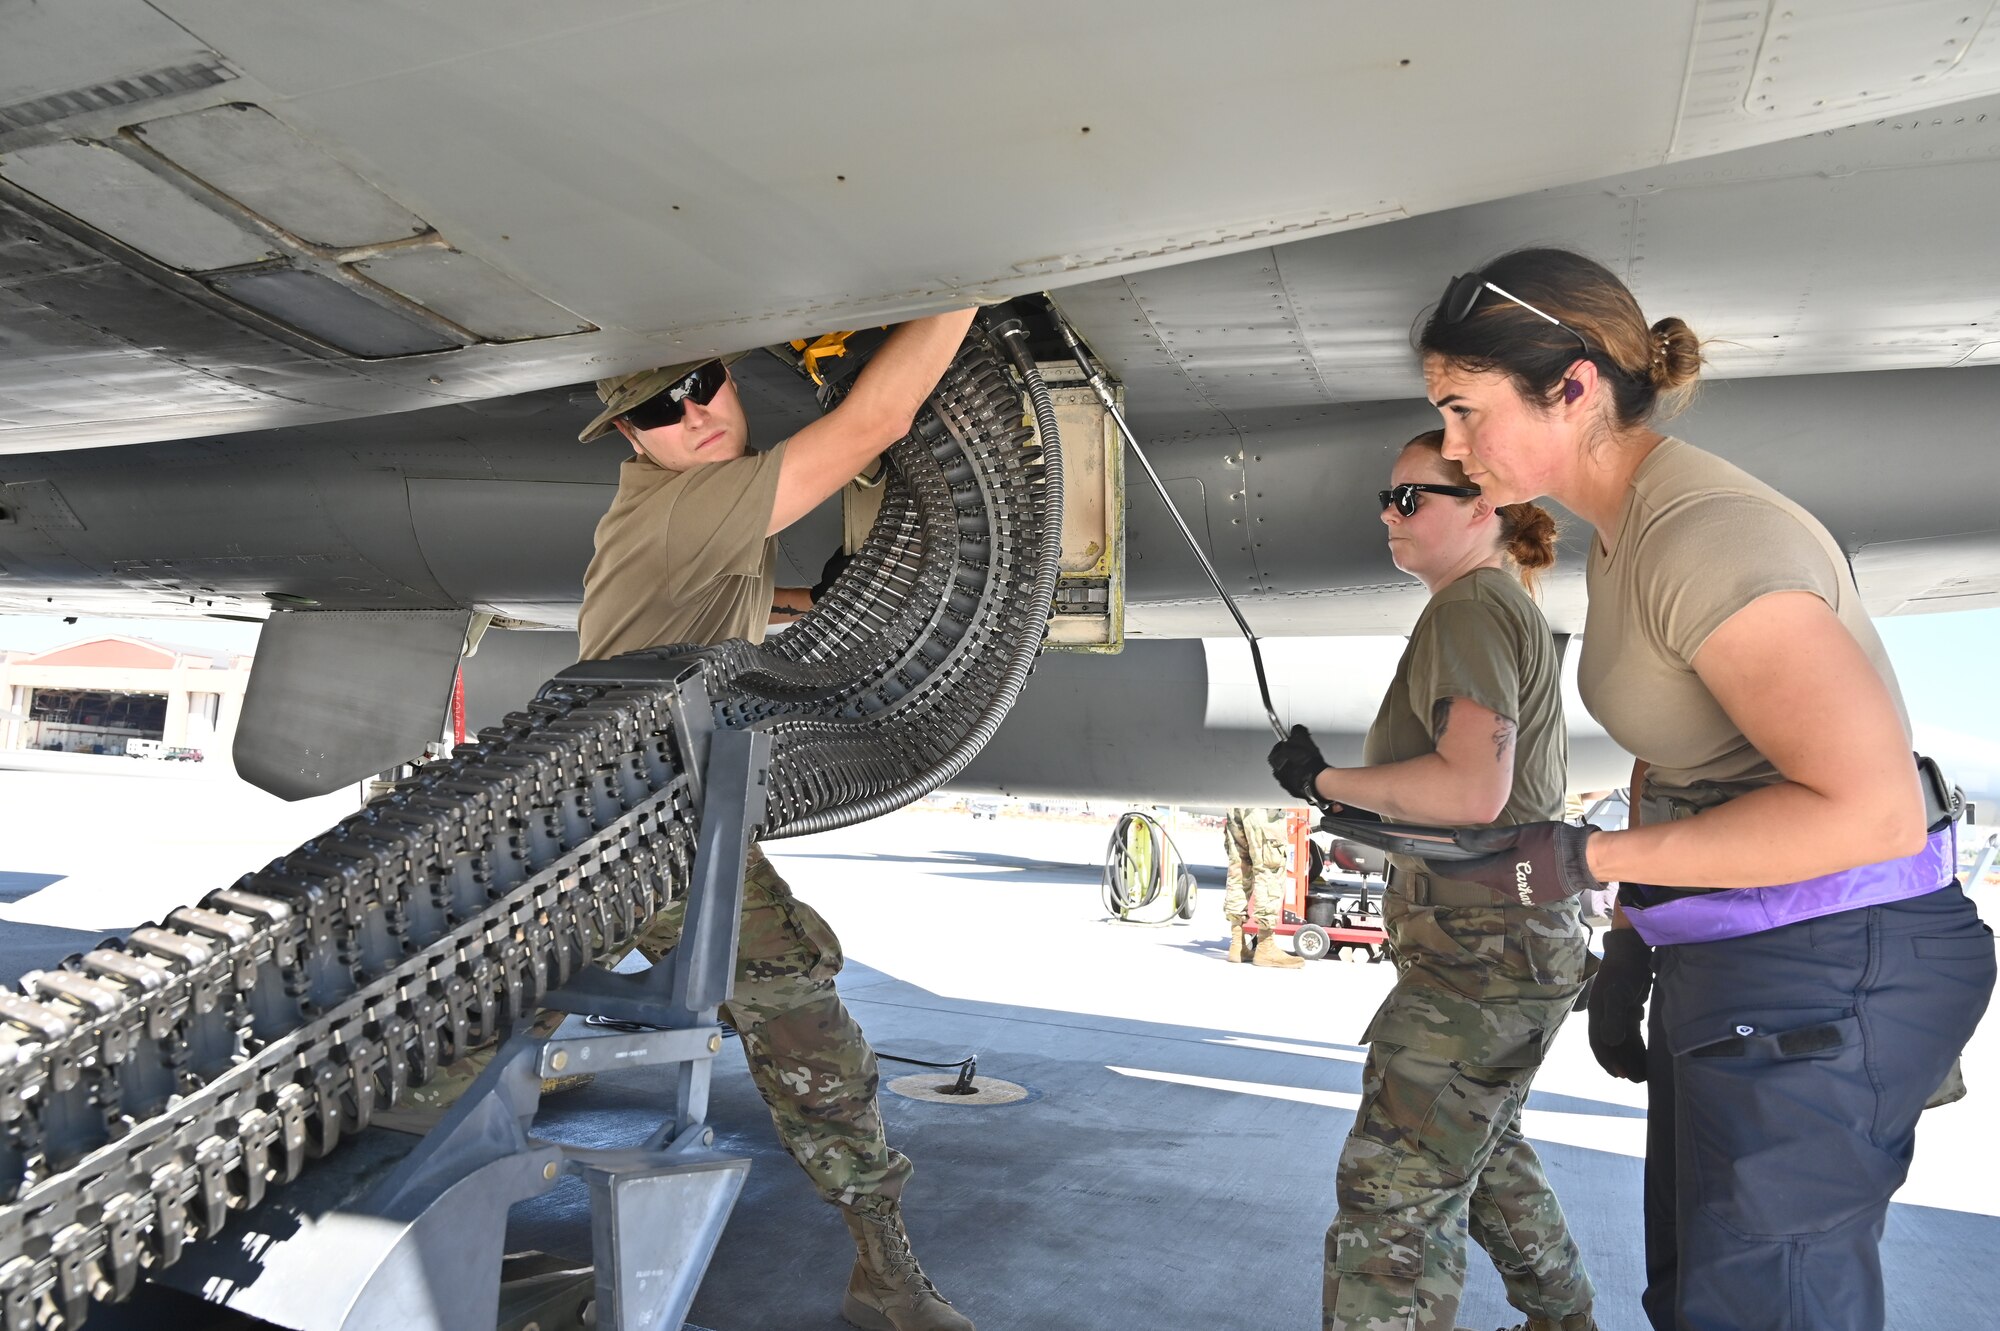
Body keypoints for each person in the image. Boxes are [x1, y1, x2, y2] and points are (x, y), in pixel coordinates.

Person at [1408, 248, 1996, 1331]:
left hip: (1828, 966)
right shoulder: (1625, 529)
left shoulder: (1704, 535)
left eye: (1461, 409)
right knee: (1697, 1299)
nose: (1449, 447)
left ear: (1572, 386)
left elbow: (1865, 810)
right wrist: (1639, 927)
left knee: (1760, 1308)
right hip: (1746, 950)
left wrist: (1589, 860)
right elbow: (1671, 748)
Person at [414, 310, 979, 1331]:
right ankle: (885, 1275)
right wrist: (974, 281)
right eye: (658, 409)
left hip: (642, 800)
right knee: (785, 1011)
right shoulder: (685, 504)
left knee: (503, 1022)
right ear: (632, 437)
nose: (694, 415)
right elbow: (872, 423)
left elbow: (716, 612)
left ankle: (884, 1271)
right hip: (624, 807)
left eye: (703, 385)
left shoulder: (691, 505)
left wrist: (807, 600)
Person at [1267, 430, 1597, 1331]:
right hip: (1503, 949)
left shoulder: (1471, 608)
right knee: (1481, 1160)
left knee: (1392, 1197)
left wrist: (1324, 783)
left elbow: (1472, 788)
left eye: (1409, 498)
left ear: (1483, 507)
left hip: (1480, 962)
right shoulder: (1490, 603)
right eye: (1389, 496)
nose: (1387, 512)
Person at [1222, 806, 1303, 967]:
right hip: (1261, 806)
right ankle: (1265, 945)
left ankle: (1237, 943)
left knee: (1239, 868)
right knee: (1270, 869)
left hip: (1236, 800)